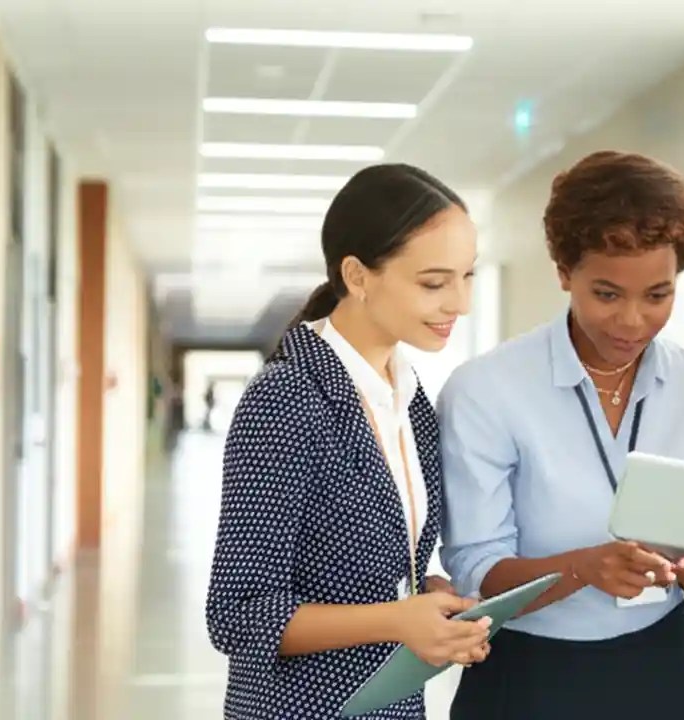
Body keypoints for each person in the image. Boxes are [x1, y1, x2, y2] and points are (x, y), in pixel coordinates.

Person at [437, 150, 684, 720]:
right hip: (530, 674)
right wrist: (581, 568)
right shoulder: (485, 389)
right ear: (563, 271)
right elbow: (477, 571)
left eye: (658, 295)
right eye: (606, 294)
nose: (632, 322)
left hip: (662, 666)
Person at [205, 164, 492, 720]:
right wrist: (396, 617)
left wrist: (431, 602)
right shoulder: (287, 399)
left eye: (468, 277)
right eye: (434, 283)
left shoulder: (411, 401)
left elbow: (379, 571)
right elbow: (237, 614)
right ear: (357, 276)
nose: (460, 303)